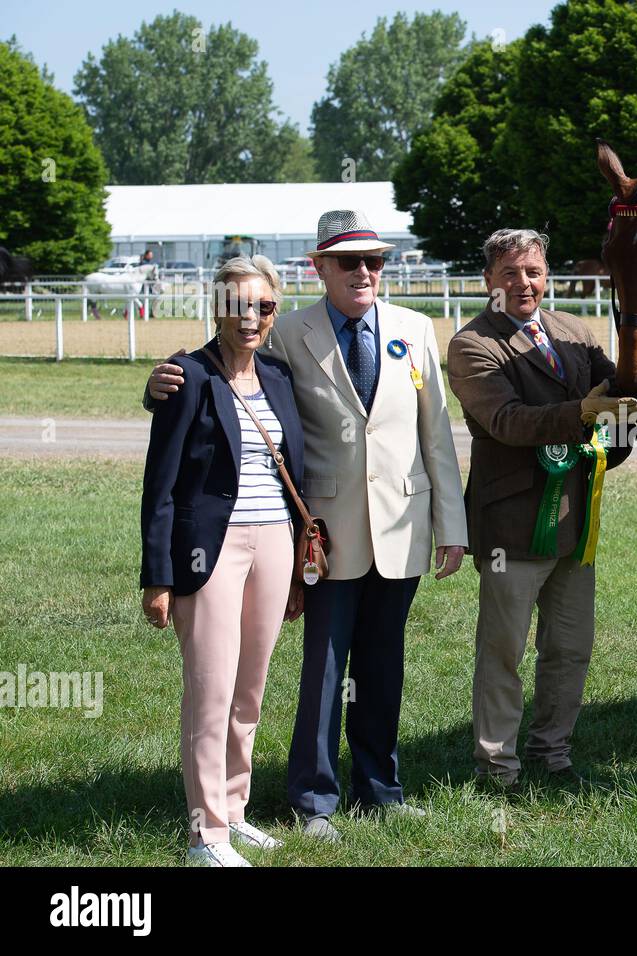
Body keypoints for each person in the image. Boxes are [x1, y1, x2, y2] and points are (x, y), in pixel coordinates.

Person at [146, 210, 467, 841]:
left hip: (401, 528)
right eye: (348, 261)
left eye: (374, 260)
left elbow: (437, 435)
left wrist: (450, 526)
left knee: (383, 666)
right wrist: (157, 384)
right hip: (322, 535)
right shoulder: (287, 329)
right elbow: (217, 375)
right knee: (323, 668)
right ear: (319, 267)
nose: (364, 272)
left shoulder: (415, 328)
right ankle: (313, 797)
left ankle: (380, 786)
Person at [446, 228, 637, 791]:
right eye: (509, 273)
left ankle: (553, 751)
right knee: (503, 652)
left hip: (575, 525)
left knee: (570, 648)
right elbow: (507, 422)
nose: (523, 283)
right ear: (489, 282)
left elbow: (619, 388)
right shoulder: (472, 345)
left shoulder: (574, 332)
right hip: (511, 527)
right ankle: (496, 765)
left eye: (532, 271)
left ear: (547, 274)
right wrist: (583, 409)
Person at [140, 255, 303, 866]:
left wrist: (294, 565)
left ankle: (234, 811)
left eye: (263, 306)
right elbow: (160, 485)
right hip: (208, 551)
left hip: (275, 545)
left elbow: (297, 472)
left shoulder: (280, 378)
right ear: (217, 307)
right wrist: (157, 576)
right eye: (238, 305)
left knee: (249, 691)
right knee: (210, 691)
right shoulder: (186, 377)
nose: (251, 318)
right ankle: (203, 834)